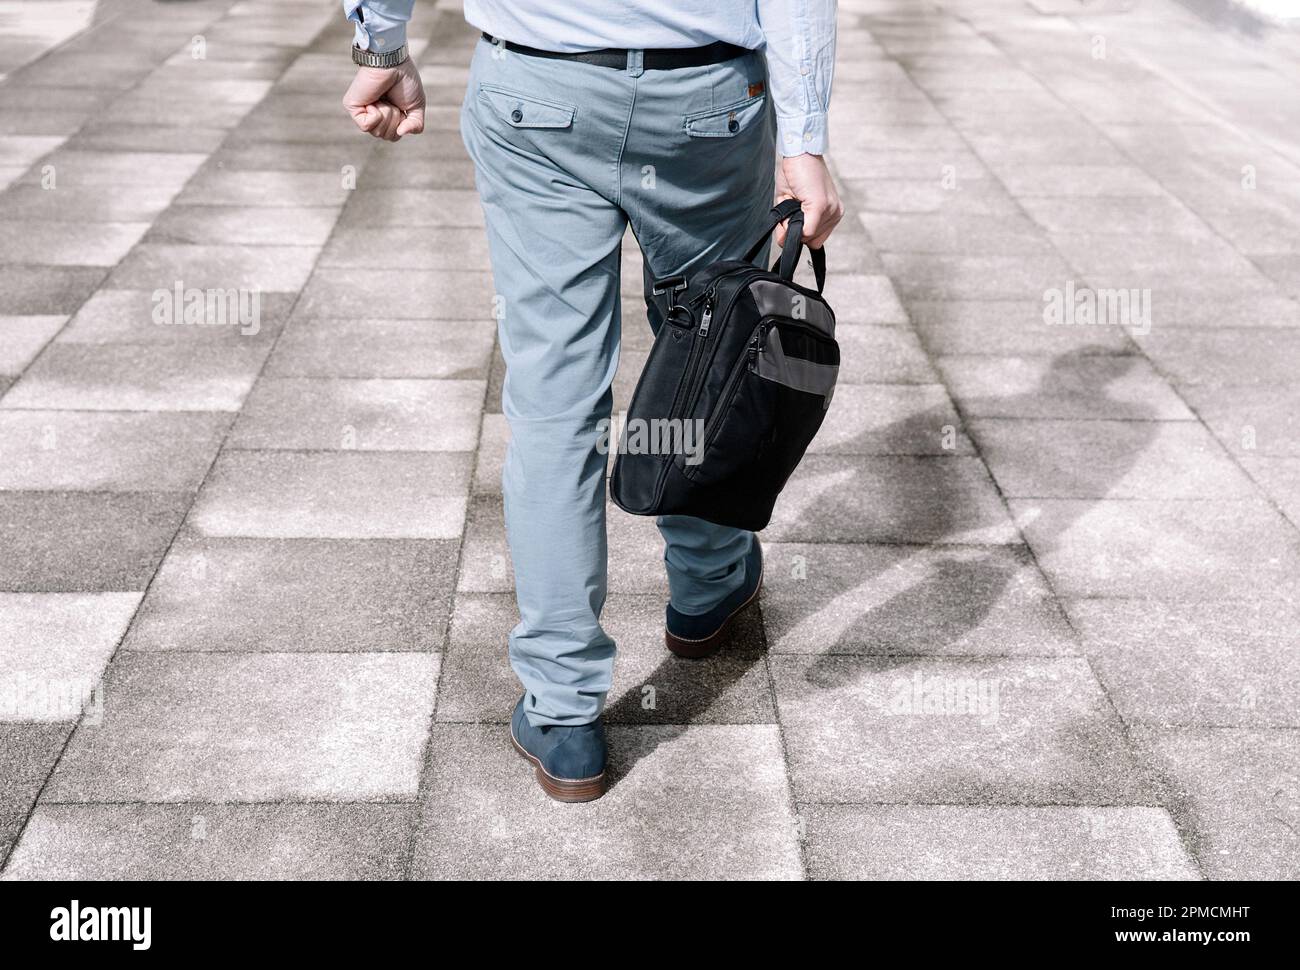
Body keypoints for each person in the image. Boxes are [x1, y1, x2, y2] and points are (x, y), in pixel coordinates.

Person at [341, 0, 841, 802]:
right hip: (706, 101)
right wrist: (804, 141)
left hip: (536, 90)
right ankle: (708, 587)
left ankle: (565, 711)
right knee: (714, 348)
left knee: (554, 397)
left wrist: (381, 42)